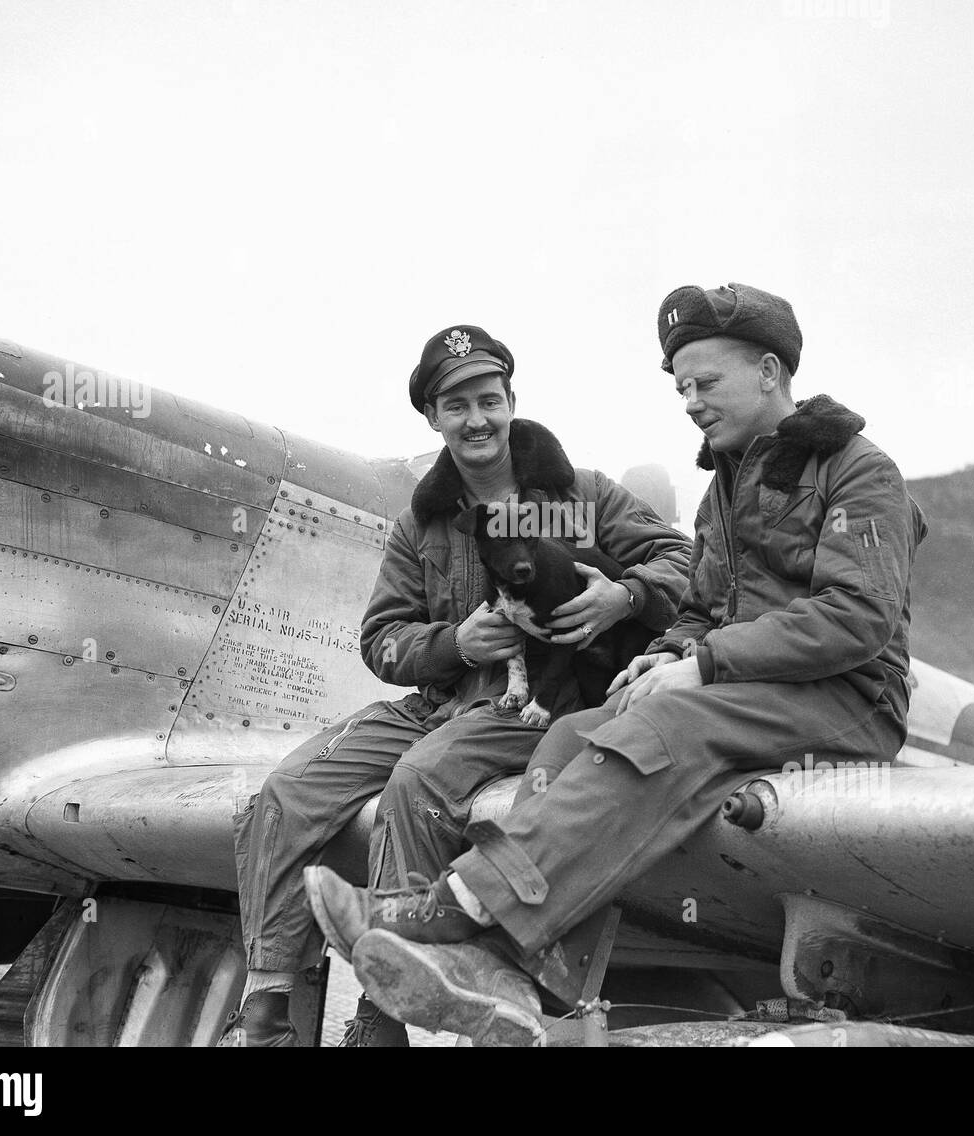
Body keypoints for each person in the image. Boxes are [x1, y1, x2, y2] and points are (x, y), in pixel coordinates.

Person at [304, 282, 929, 1046]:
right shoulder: (723, 491)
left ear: (769, 371)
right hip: (755, 689)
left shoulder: (860, 471)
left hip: (849, 696)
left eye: (708, 382)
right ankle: (530, 982)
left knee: (669, 720)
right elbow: (702, 609)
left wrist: (699, 666)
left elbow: (856, 619)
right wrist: (662, 654)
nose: (692, 401)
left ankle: (461, 906)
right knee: (567, 738)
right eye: (682, 388)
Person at [222, 324, 691, 1046]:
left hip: (540, 707)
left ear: (510, 401)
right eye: (457, 405)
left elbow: (680, 561)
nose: (476, 420)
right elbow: (382, 640)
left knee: (418, 782)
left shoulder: (580, 495)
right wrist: (454, 643)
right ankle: (266, 1014)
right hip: (439, 701)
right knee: (286, 791)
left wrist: (621, 598)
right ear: (433, 418)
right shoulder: (421, 523)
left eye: (489, 399)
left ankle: (380, 1017)